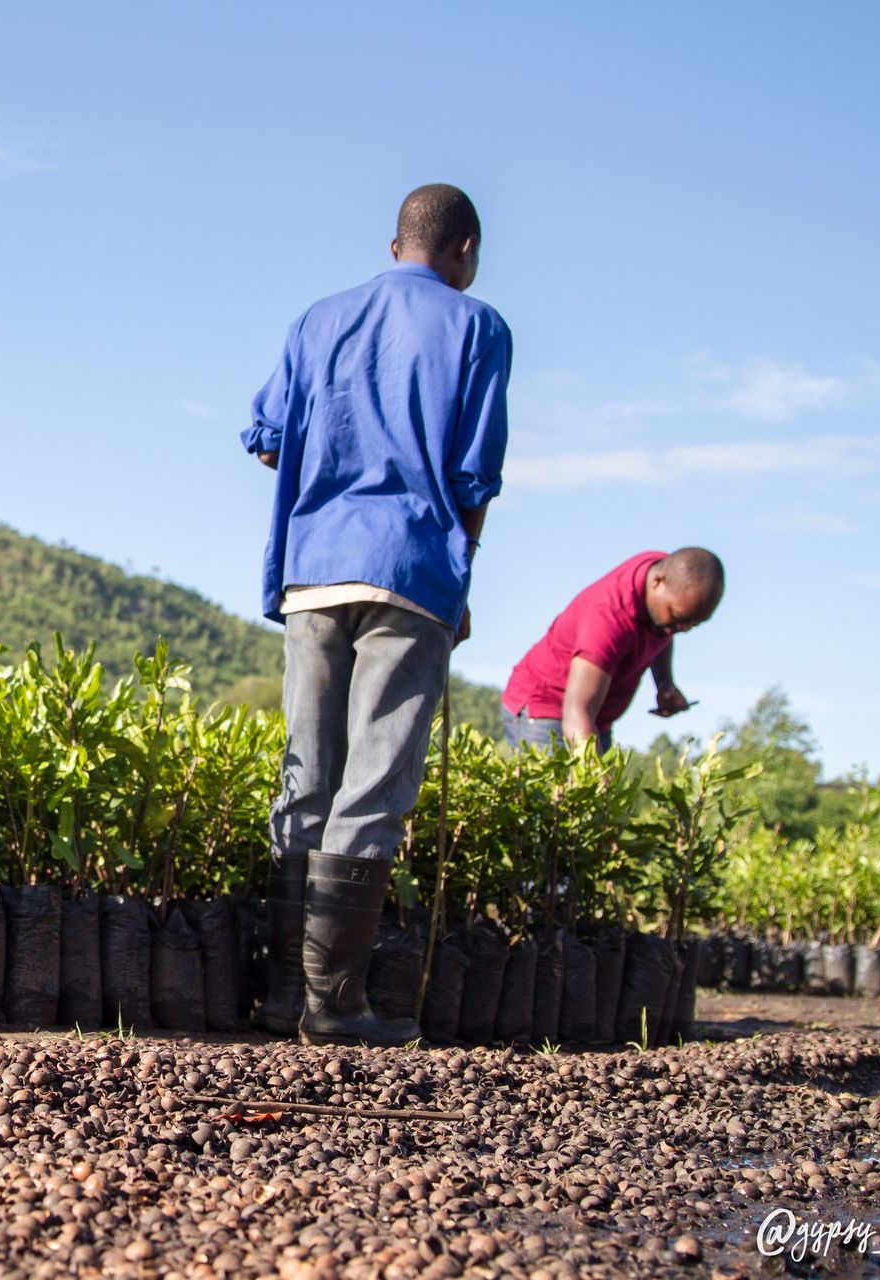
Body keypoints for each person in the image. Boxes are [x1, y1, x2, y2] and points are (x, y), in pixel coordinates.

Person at [241, 184, 512, 1046]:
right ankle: (334, 1005)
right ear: (464, 250)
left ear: (395, 246)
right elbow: (474, 474)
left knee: (307, 774)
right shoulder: (478, 327)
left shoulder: (318, 320)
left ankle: (286, 997)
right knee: (374, 783)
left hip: (314, 570)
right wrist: (458, 581)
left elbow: (267, 438)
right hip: (410, 571)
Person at [502, 548, 724, 753]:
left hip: (596, 719)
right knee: (582, 781)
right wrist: (596, 773)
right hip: (549, 711)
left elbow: (662, 632)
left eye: (694, 623)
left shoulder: (670, 576)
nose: (683, 629)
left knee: (596, 779)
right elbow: (577, 711)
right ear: (658, 582)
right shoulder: (608, 619)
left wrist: (665, 683)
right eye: (677, 618)